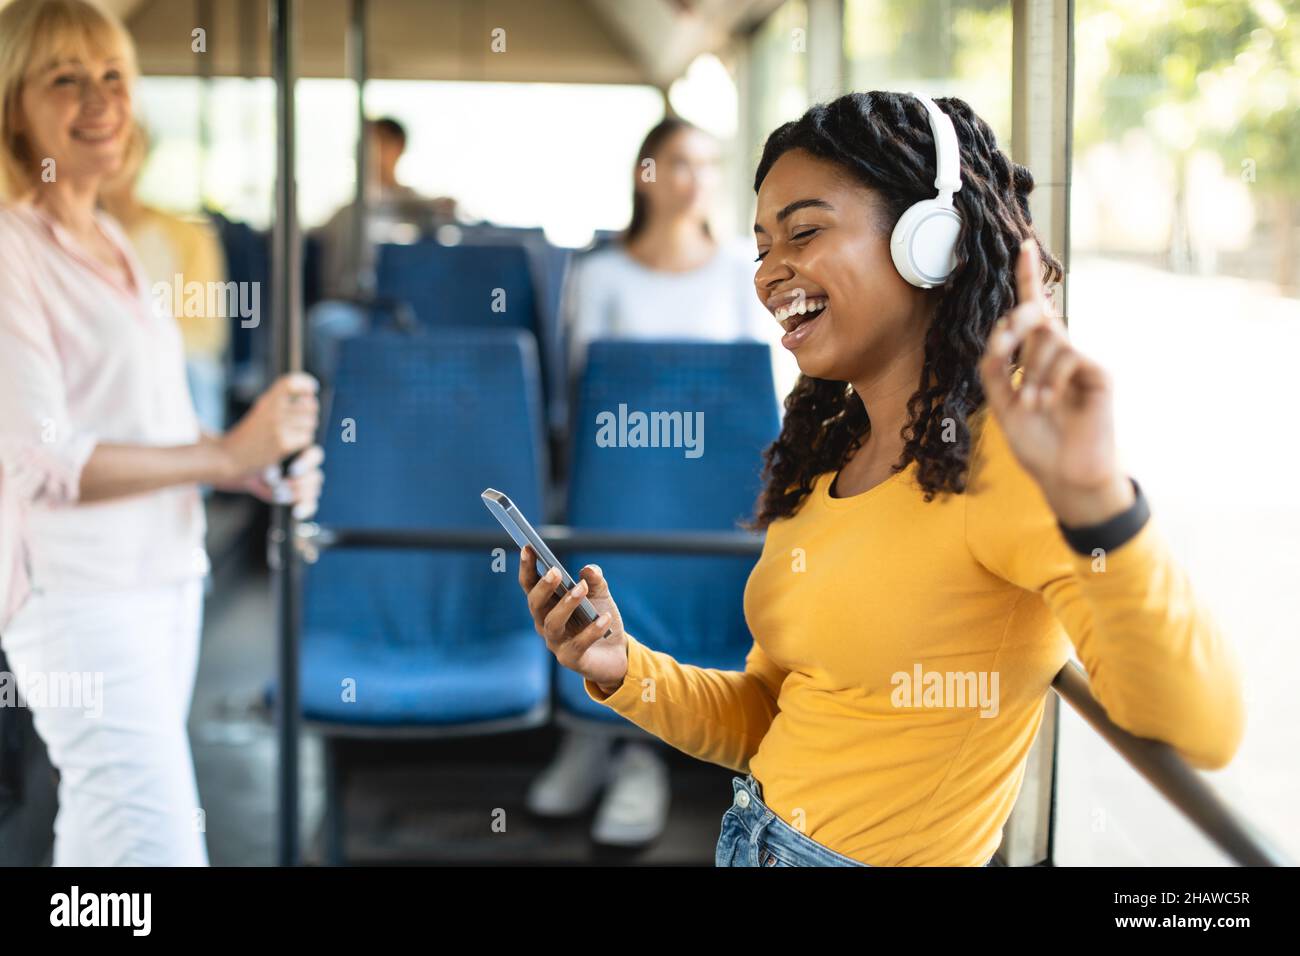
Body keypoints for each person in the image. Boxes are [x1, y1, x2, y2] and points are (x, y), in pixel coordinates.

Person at [517, 91, 1244, 867]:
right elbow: (769, 716)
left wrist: (1101, 504)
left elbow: (1199, 726)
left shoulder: (1004, 464)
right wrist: (626, 668)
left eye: (803, 232)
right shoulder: (825, 457)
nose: (769, 275)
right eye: (762, 247)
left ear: (927, 241)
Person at [0, 0, 324, 866]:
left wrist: (248, 472)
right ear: (11, 107)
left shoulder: (112, 238)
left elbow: (155, 421)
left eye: (112, 76)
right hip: (79, 597)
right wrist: (223, 453)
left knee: (103, 831)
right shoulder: (9, 249)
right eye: (63, 78)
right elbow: (40, 457)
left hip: (162, 578)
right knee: (158, 846)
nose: (98, 99)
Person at [527, 116, 786, 848]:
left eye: (706, 165)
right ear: (646, 174)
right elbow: (582, 397)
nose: (693, 179)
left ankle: (636, 752)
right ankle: (598, 736)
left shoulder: (743, 269)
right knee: (612, 578)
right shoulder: (602, 274)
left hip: (718, 489)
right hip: (623, 476)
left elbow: (751, 400)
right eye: (676, 164)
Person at [99, 122, 230, 435]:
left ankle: (194, 470)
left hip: (166, 366)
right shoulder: (57, 236)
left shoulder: (186, 237)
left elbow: (203, 333)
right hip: (95, 366)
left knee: (195, 371)